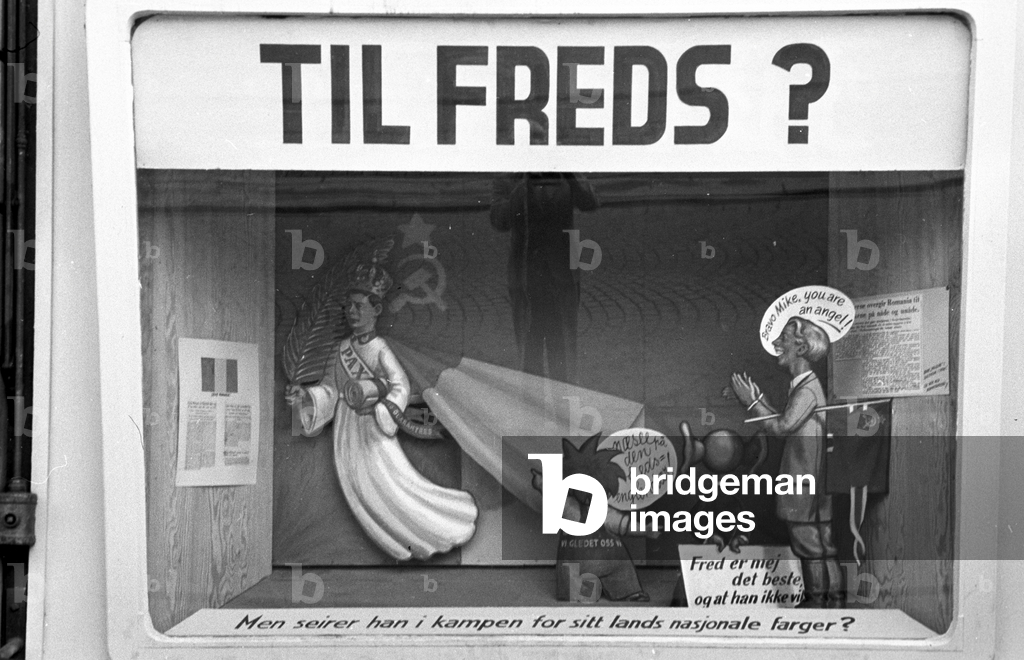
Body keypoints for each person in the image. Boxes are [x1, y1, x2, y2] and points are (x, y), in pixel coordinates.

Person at [285, 254, 478, 561]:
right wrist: (306, 397)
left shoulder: (380, 348)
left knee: (391, 487)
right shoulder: (340, 349)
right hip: (347, 430)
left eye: (358, 306)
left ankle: (421, 533)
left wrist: (381, 409)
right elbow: (331, 389)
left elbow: (400, 384)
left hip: (373, 427)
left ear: (375, 309)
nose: (352, 312)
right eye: (348, 306)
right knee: (360, 488)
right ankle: (394, 541)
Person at [728, 317, 843, 608]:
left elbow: (781, 428)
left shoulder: (806, 390)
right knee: (823, 546)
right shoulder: (805, 387)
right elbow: (785, 421)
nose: (776, 344)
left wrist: (752, 403)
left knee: (809, 545)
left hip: (805, 483)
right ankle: (834, 603)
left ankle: (816, 605)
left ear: (801, 347)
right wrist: (758, 402)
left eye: (783, 339)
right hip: (814, 482)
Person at [490, 173, 599, 383]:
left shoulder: (565, 172)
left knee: (564, 360)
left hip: (562, 280)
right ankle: (532, 413)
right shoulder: (508, 176)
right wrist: (523, 183)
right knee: (529, 362)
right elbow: (499, 220)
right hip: (526, 282)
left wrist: (569, 174)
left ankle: (564, 414)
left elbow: (591, 202)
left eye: (542, 139)